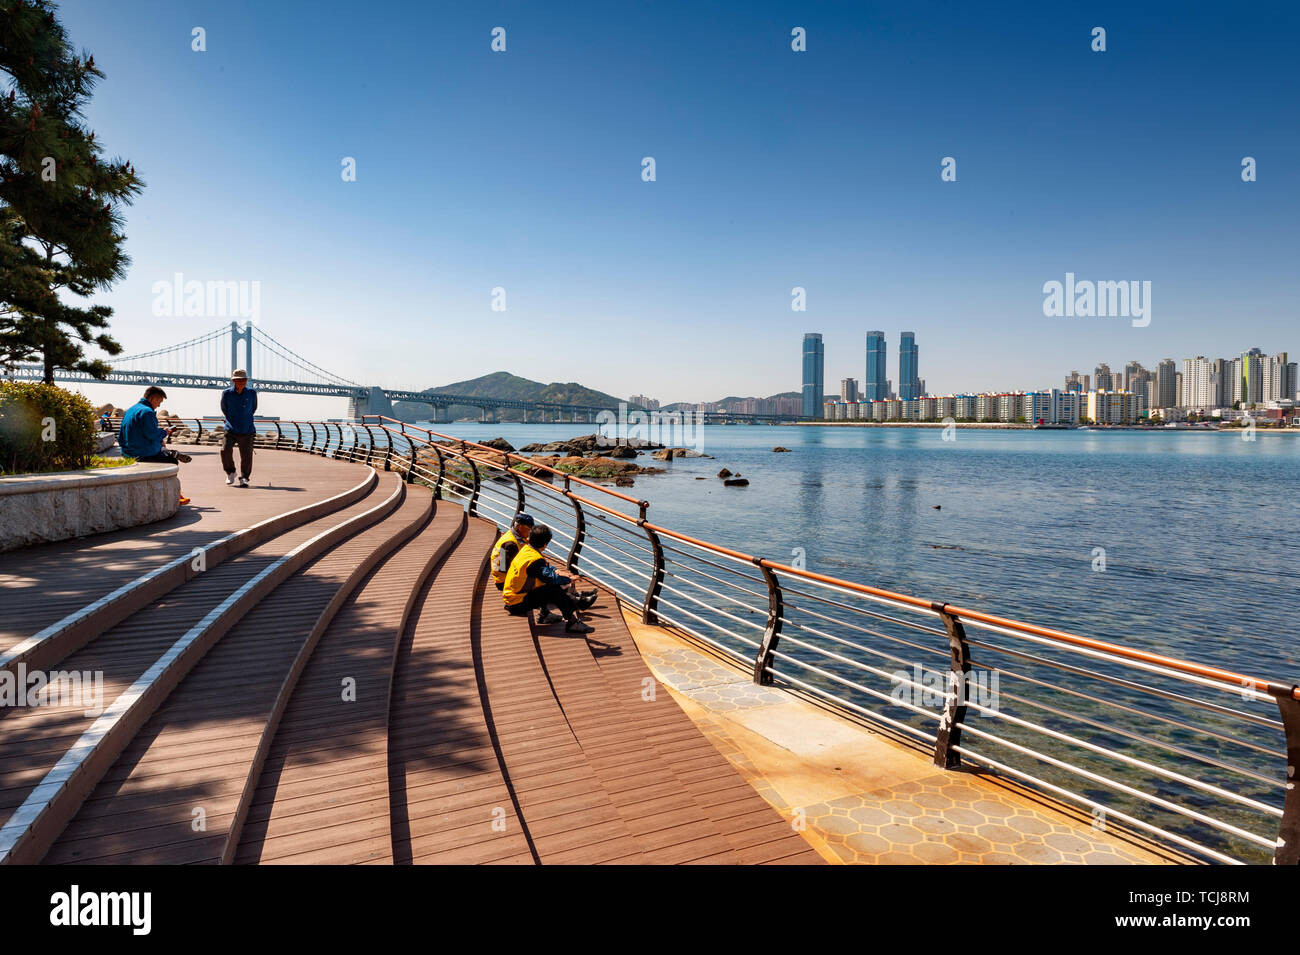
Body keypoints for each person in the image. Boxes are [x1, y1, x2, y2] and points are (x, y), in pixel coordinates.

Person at [491, 513, 596, 623]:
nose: (529, 532)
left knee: (547, 579)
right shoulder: (509, 544)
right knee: (549, 583)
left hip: (512, 586)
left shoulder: (520, 542)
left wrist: (556, 570)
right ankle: (576, 605)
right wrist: (565, 578)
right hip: (504, 581)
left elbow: (532, 565)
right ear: (519, 527)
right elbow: (504, 568)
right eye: (528, 529)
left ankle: (574, 602)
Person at [118, 386, 192, 505]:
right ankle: (175, 495)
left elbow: (121, 436)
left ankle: (166, 451)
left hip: (128, 452)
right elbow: (152, 434)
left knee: (161, 447)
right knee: (172, 462)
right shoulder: (147, 412)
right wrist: (165, 432)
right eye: (159, 402)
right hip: (142, 453)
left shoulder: (131, 410)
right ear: (153, 398)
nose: (159, 405)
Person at [220, 368, 258, 487]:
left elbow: (253, 408)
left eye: (243, 379)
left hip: (247, 429)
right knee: (224, 450)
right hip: (230, 428)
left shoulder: (252, 393)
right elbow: (224, 408)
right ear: (233, 381)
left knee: (246, 456)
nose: (241, 382)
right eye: (238, 380)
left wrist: (244, 418)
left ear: (246, 380)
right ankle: (230, 472)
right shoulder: (227, 393)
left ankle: (245, 477)